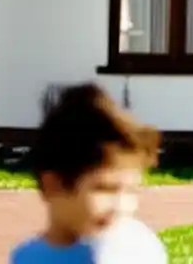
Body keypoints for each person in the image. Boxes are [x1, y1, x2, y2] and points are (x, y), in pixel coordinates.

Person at [10, 82, 168, 264]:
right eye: (106, 189)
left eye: (131, 191)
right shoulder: (28, 257)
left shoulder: (138, 251)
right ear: (53, 185)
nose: (123, 206)